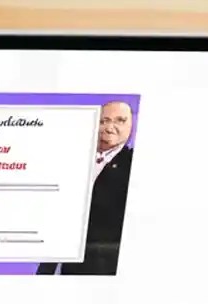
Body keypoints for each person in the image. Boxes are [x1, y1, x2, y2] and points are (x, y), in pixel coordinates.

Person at [37, 100, 136, 275]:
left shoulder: (132, 165)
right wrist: (45, 270)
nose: (110, 127)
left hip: (107, 269)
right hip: (71, 269)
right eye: (104, 121)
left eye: (120, 120)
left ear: (131, 126)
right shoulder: (76, 161)